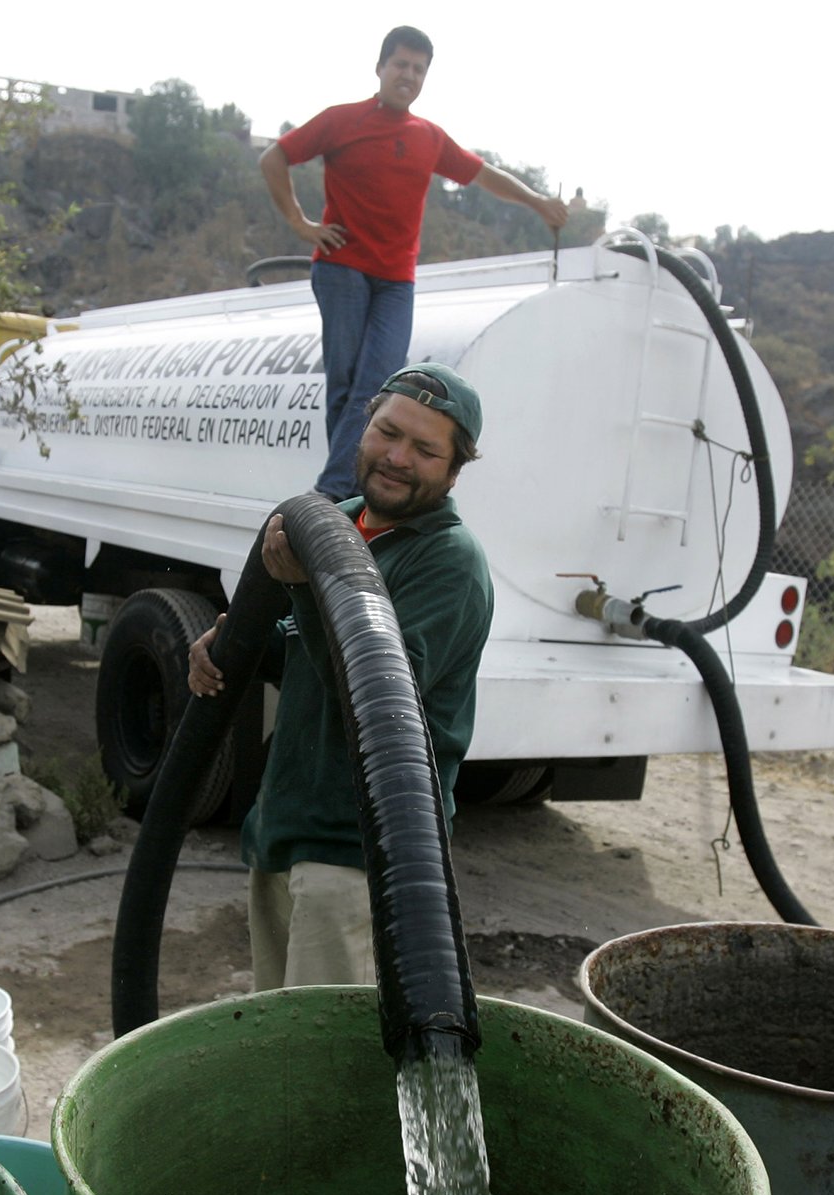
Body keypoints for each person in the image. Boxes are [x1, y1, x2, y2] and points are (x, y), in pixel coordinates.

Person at [189, 362, 494, 988]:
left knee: (328, 1067)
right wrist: (235, 644)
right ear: (366, 428)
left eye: (424, 448)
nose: (397, 456)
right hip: (286, 833)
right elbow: (310, 658)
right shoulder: (345, 522)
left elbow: (378, 696)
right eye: (388, 433)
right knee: (284, 1051)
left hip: (359, 856)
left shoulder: (448, 561)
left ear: (455, 469)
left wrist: (302, 592)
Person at [261, 26, 568, 501]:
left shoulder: (428, 137)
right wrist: (301, 224)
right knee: (344, 386)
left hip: (396, 281)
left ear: (425, 77)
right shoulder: (342, 120)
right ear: (381, 67)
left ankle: (332, 493)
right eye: (400, 64)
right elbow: (274, 158)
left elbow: (484, 174)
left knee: (377, 385)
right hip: (342, 269)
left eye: (418, 69)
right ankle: (347, 495)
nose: (408, 75)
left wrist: (538, 202)